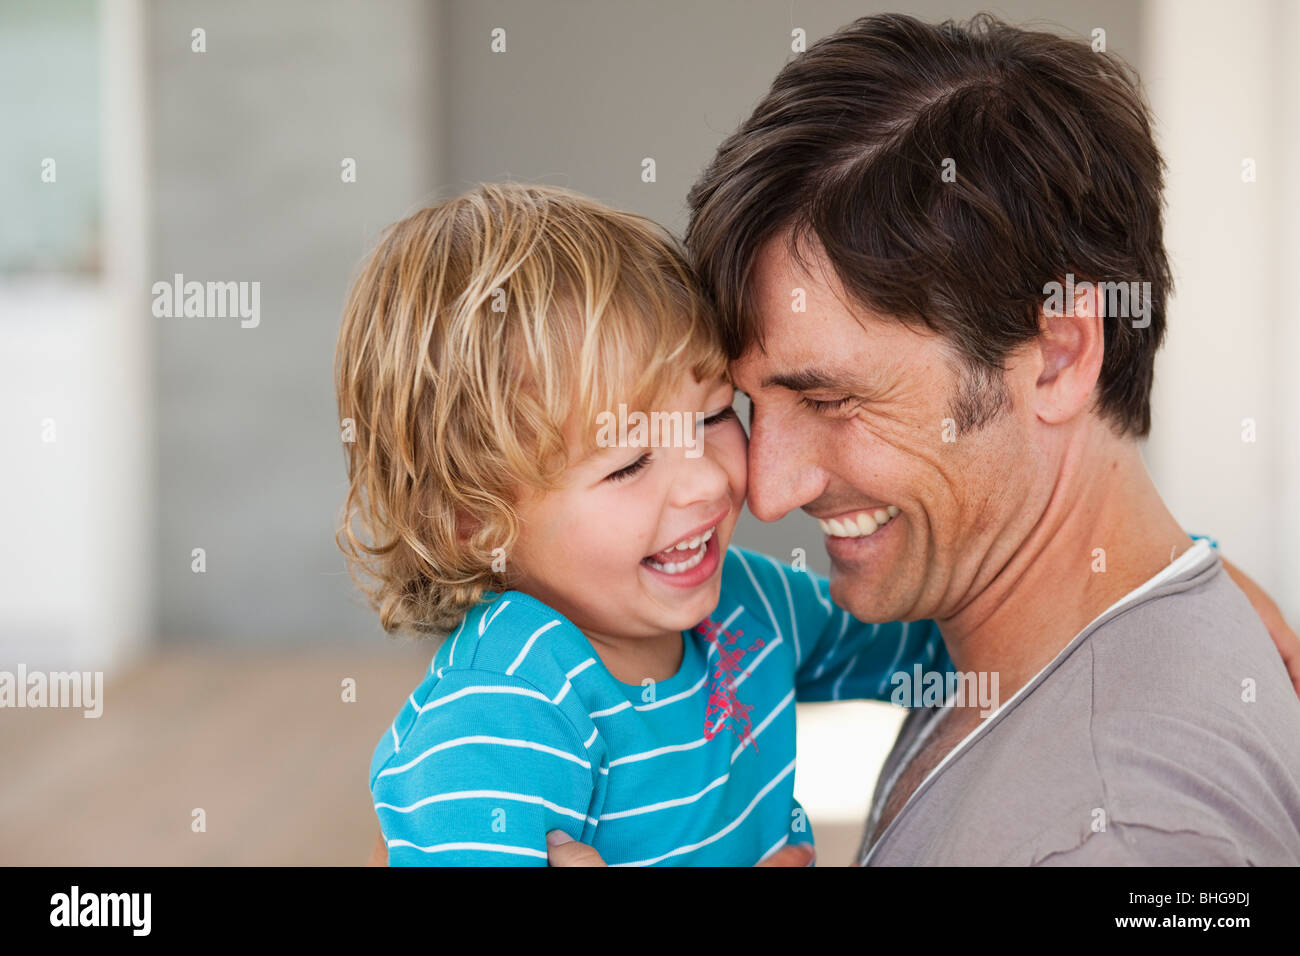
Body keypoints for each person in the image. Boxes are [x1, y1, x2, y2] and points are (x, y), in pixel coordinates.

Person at [547, 13, 1300, 866]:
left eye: (830, 400)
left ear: (1057, 358)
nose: (765, 490)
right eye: (746, 407)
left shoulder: (1119, 835)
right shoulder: (1006, 629)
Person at [336, 182, 959, 865]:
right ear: (477, 521)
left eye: (714, 415)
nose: (705, 479)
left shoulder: (757, 605)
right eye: (630, 462)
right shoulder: (498, 717)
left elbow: (947, 650)